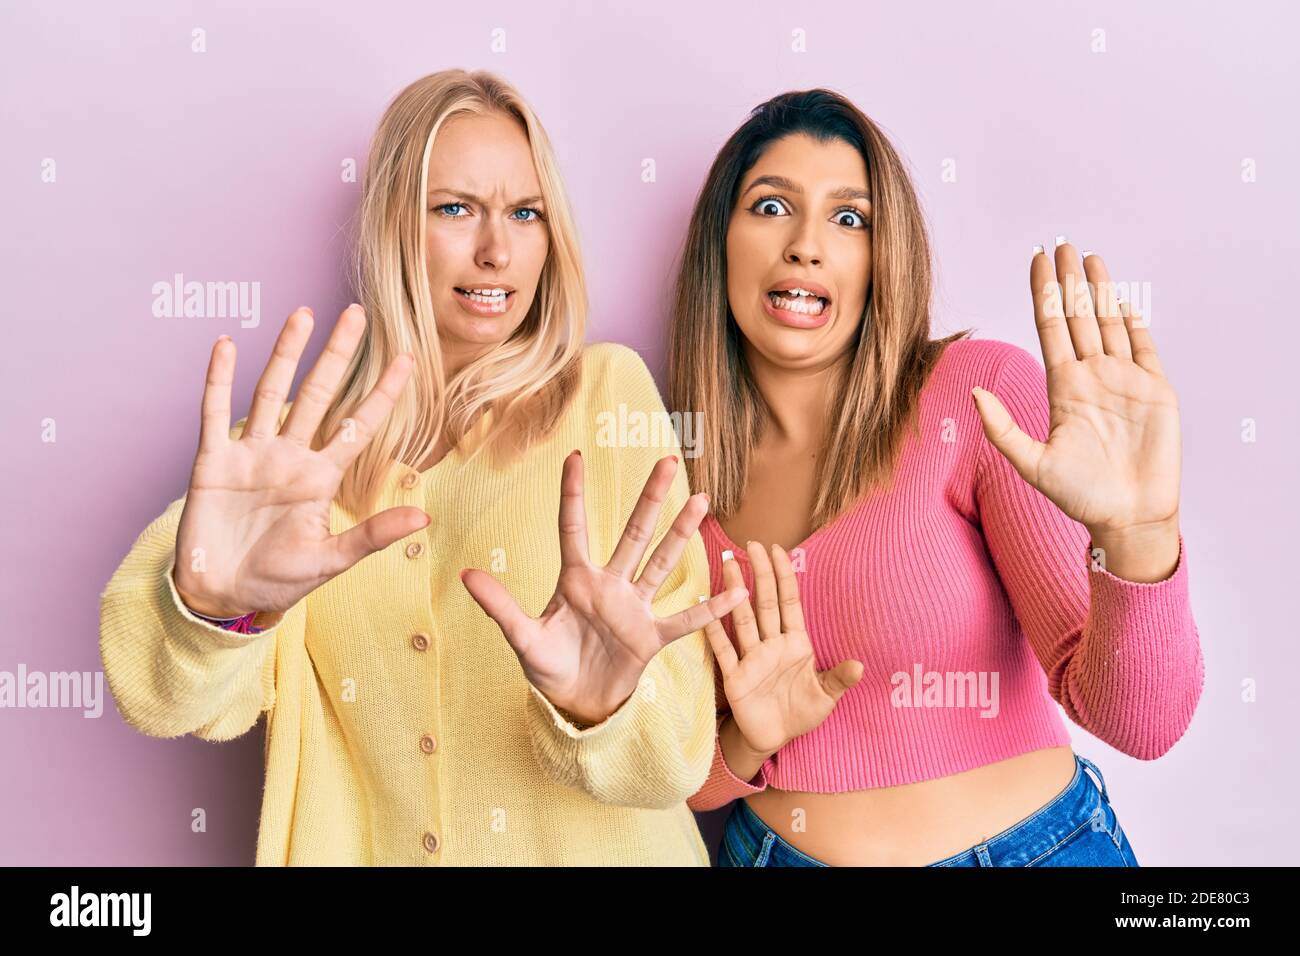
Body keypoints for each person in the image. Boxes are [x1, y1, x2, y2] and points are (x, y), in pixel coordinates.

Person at [98, 69, 745, 866]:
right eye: (455, 209)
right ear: (393, 226)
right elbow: (159, 696)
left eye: (525, 212)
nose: (497, 250)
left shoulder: (605, 394)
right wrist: (215, 610)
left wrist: (603, 704)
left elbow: (676, 752)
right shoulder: (292, 461)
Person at [673, 89, 1203, 866]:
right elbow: (678, 779)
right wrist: (745, 745)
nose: (807, 246)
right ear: (720, 242)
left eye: (849, 219)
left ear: (884, 260)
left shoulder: (975, 398)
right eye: (771, 207)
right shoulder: (672, 475)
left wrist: (1139, 537)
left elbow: (1143, 725)